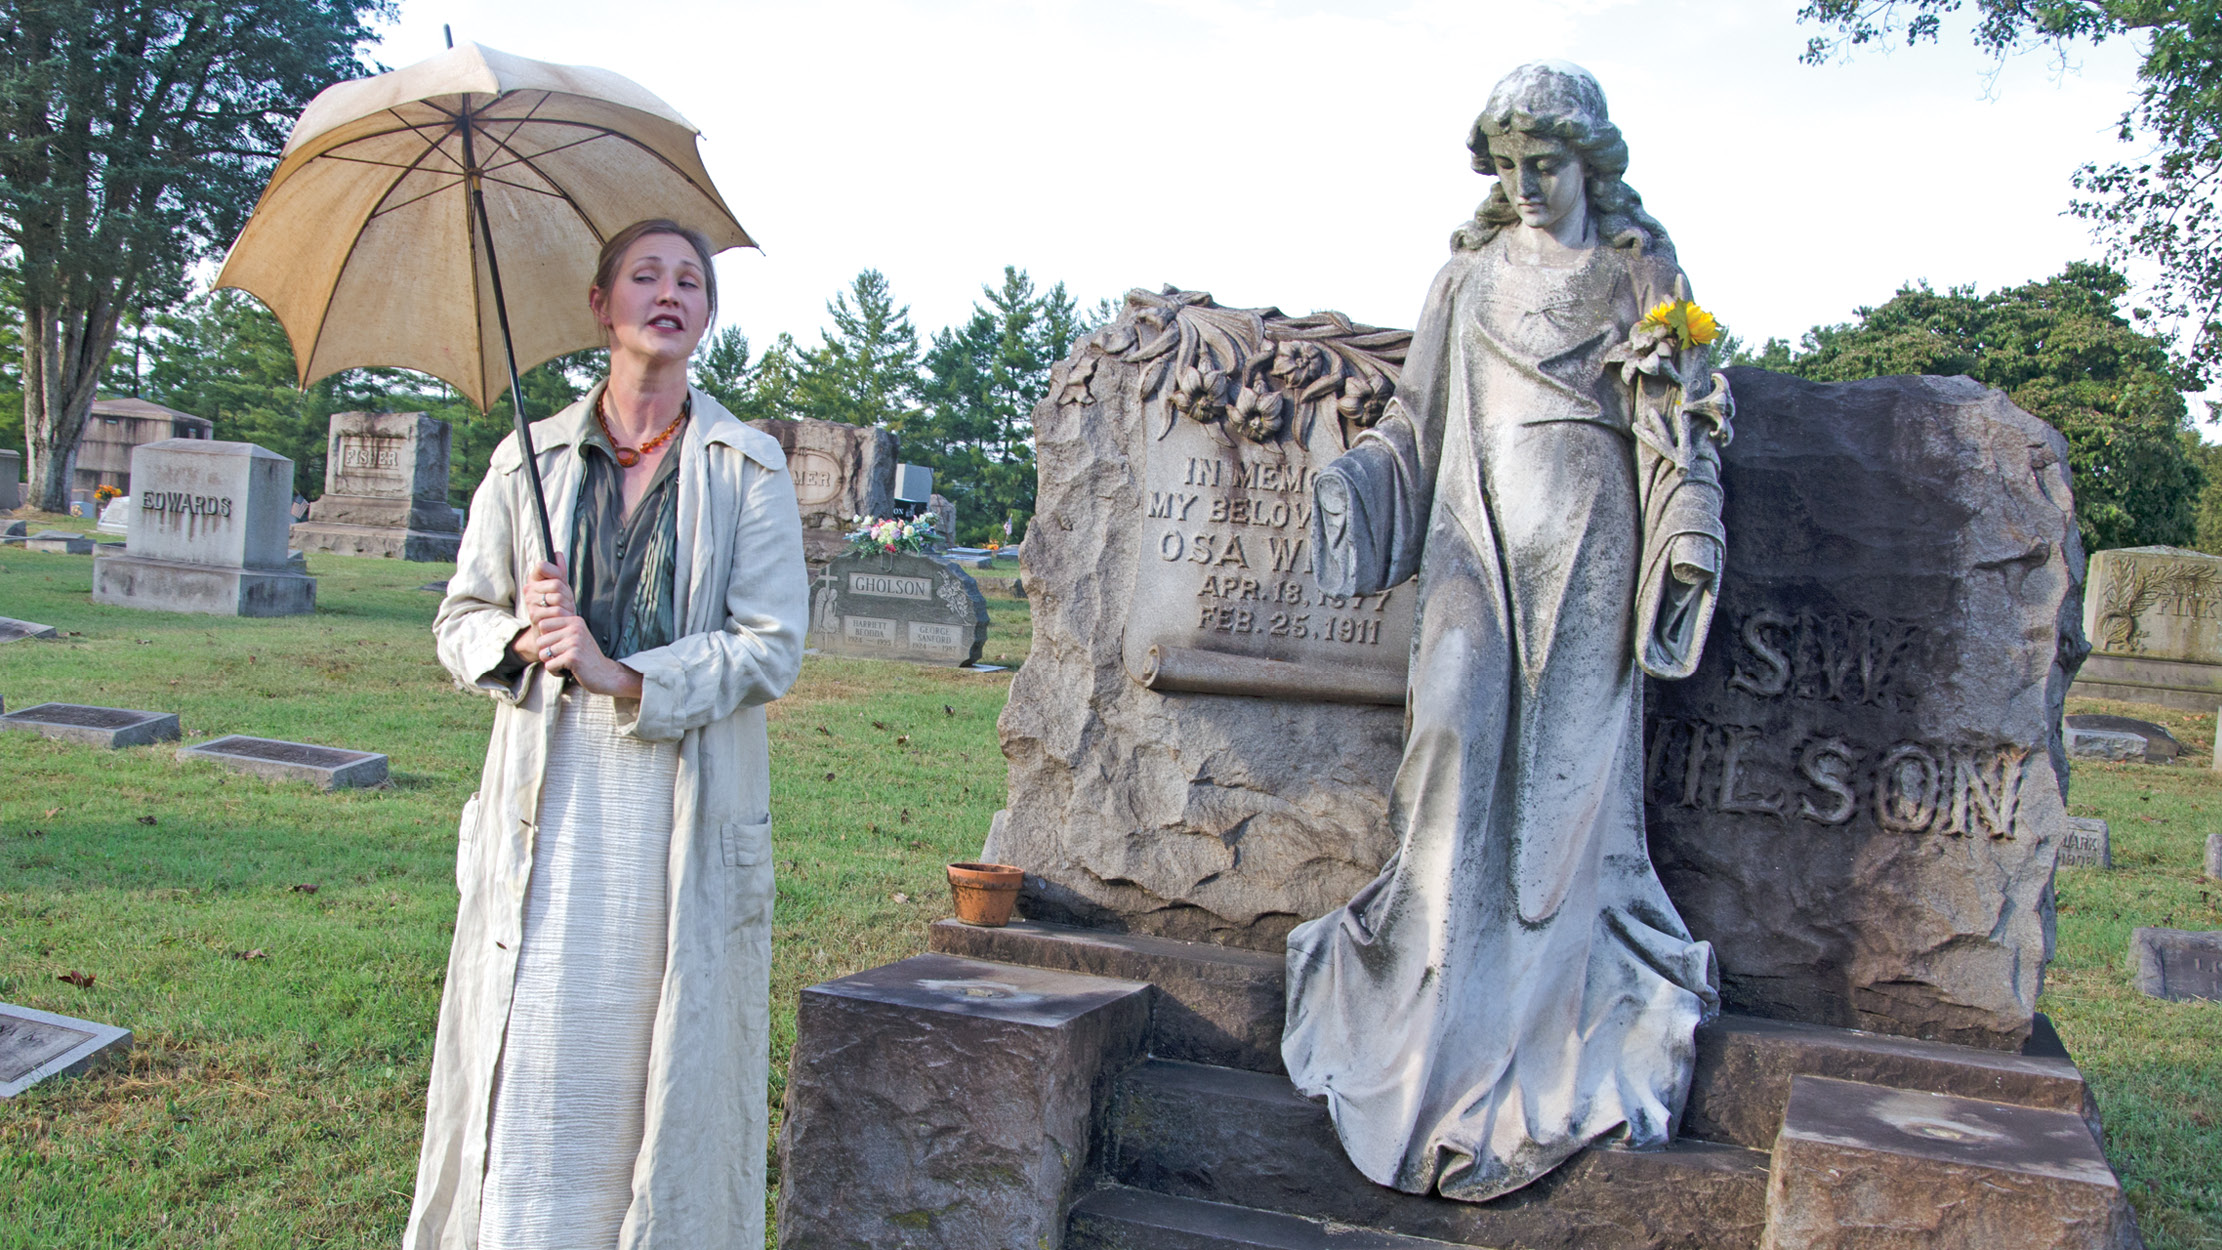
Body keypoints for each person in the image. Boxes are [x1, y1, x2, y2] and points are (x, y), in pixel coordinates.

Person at [1281, 62, 1734, 1203]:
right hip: (1471, 539)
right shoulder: (1464, 280)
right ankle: (1427, 1009)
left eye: (1548, 164)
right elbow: (1414, 420)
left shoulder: (1639, 273)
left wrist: (1686, 523)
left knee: (1559, 794)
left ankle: (1535, 1024)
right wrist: (1355, 481)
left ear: (1591, 163)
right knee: (1446, 732)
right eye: (1510, 165)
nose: (1527, 185)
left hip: (1589, 541)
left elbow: (1678, 419)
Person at [404, 218, 808, 1249]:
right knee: (531, 1053)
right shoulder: (523, 460)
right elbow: (457, 621)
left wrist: (621, 670)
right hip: (546, 800)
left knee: (658, 1062)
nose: (668, 293)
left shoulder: (746, 466)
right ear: (601, 305)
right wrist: (522, 637)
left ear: (706, 315)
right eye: (644, 276)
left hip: (675, 802)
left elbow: (770, 647)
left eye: (689, 281)